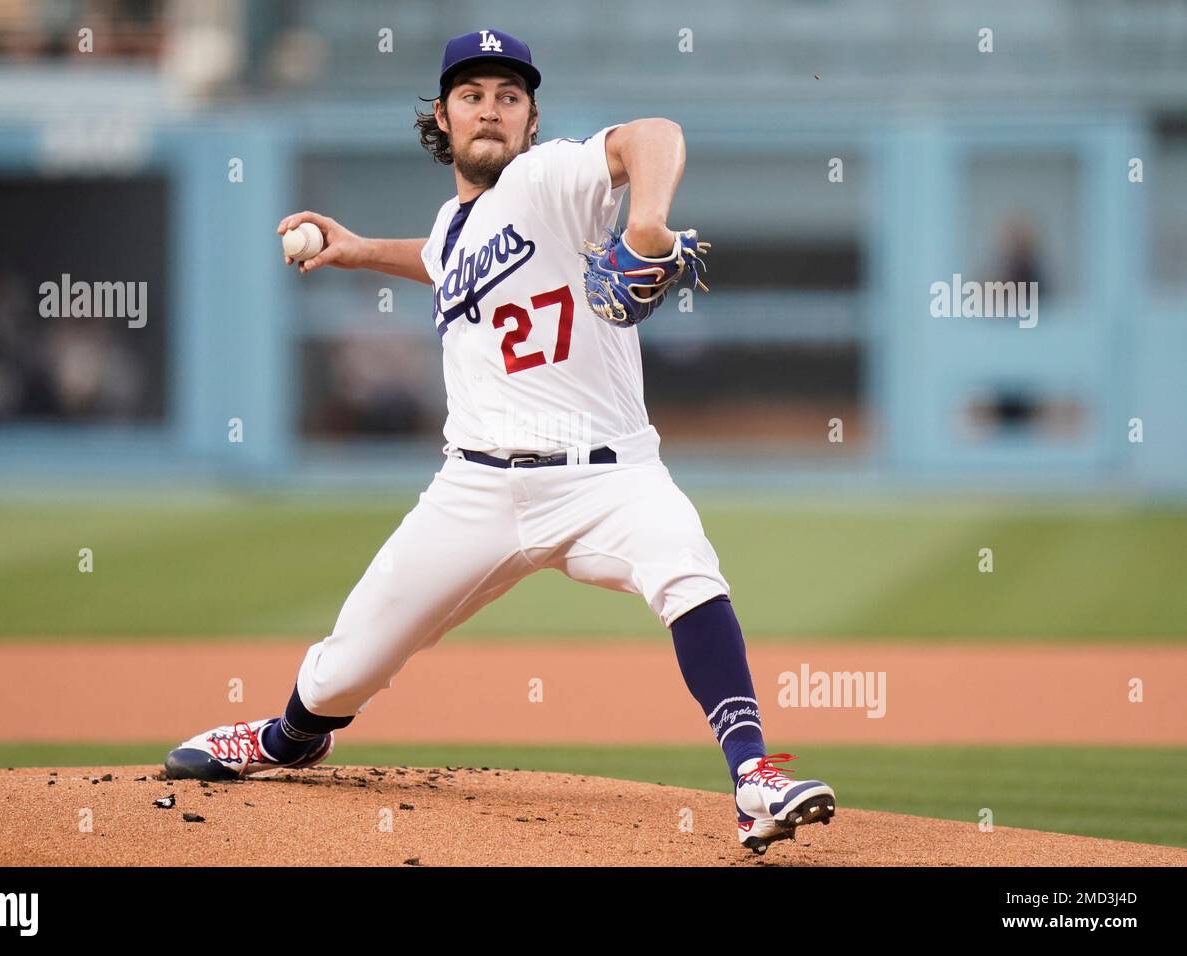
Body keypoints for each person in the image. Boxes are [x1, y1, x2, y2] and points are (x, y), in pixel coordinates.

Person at [165, 28, 835, 856]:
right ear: (441, 119)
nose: (491, 109)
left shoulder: (552, 178)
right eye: (473, 95)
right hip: (474, 492)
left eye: (509, 97)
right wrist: (360, 250)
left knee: (689, 570)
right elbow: (447, 260)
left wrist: (649, 225)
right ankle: (291, 738)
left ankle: (755, 778)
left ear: (530, 119)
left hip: (610, 479)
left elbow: (652, 134)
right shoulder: (455, 224)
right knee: (343, 669)